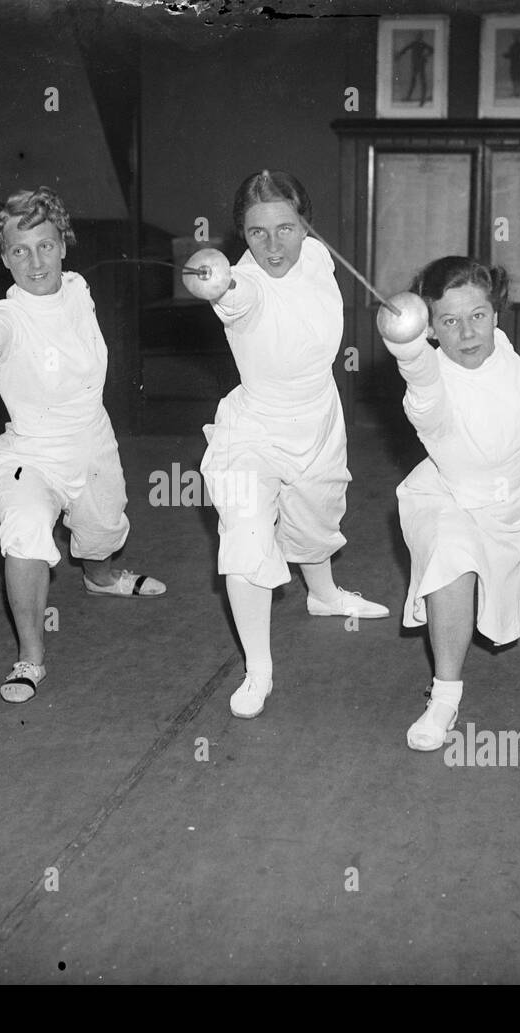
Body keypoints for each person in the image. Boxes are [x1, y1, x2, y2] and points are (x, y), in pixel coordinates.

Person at [184, 170, 388, 720]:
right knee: (247, 535)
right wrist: (220, 283)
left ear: (305, 225)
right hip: (255, 427)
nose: (273, 246)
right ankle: (258, 669)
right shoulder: (241, 285)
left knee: (317, 517)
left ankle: (322, 595)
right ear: (241, 238)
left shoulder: (319, 257)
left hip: (319, 415)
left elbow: (308, 270)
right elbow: (235, 295)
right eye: (257, 233)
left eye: (285, 228)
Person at [0, 187, 165, 703]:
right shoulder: (5, 318)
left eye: (45, 246)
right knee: (25, 529)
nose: (34, 261)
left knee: (101, 533)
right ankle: (30, 658)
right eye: (19, 251)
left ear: (64, 246)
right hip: (30, 453)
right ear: (3, 258)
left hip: (92, 442)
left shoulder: (77, 289)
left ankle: (101, 577)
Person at [378, 256, 520, 752]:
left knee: (513, 532)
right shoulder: (432, 383)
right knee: (452, 558)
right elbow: (421, 385)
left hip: (512, 493)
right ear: (432, 330)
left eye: (477, 315)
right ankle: (444, 696)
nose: (467, 333)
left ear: (496, 315)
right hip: (451, 495)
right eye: (449, 321)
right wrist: (407, 348)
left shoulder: (501, 349)